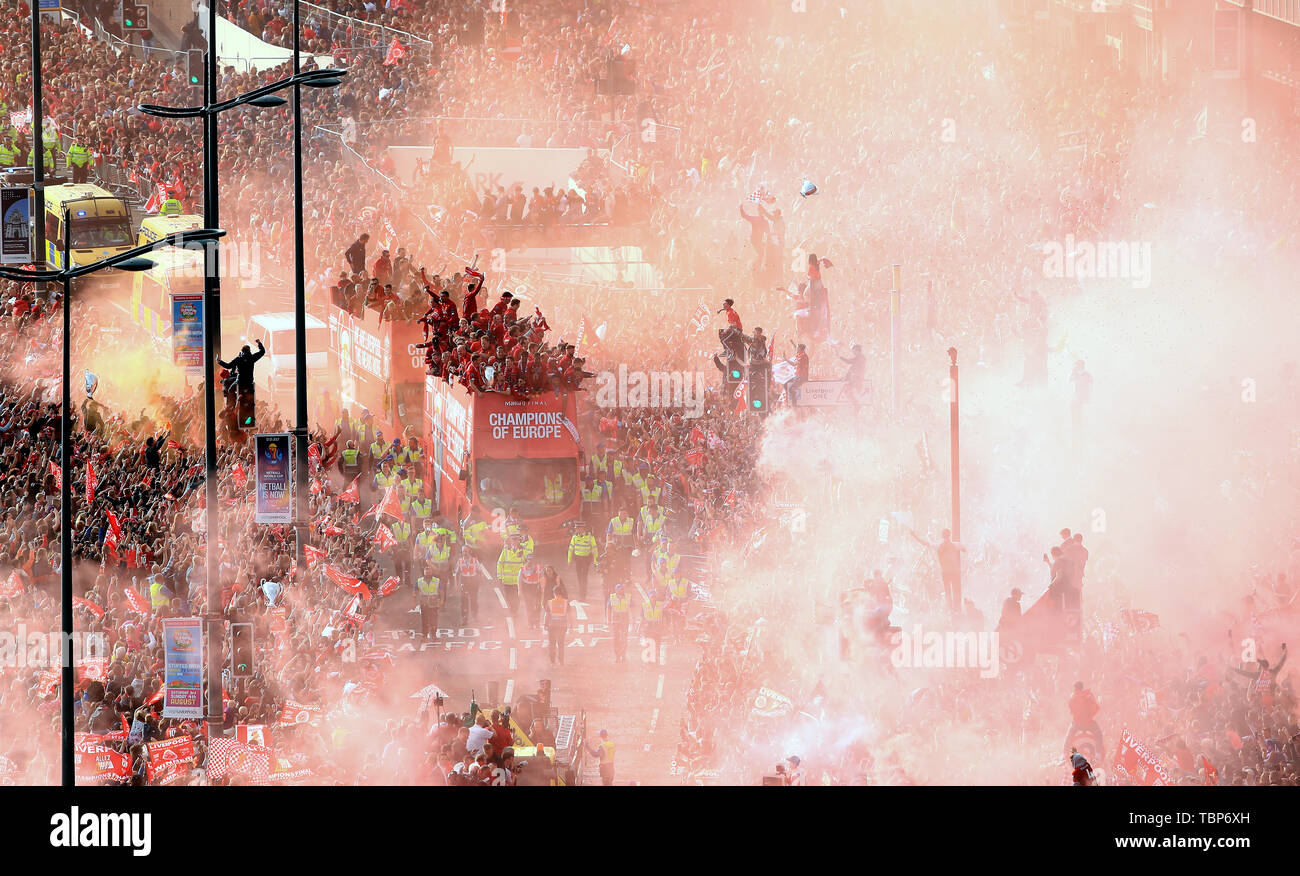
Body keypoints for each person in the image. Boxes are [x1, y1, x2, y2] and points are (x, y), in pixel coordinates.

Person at [906, 526, 965, 613]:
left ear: (942, 536)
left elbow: (925, 543)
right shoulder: (956, 544)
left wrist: (914, 535)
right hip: (954, 571)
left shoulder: (939, 545)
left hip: (946, 572)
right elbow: (964, 549)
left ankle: (950, 609)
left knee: (948, 591)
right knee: (955, 590)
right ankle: (955, 609)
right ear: (949, 535)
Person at [567, 519, 598, 602]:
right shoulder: (574, 537)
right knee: (579, 578)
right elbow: (570, 549)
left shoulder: (590, 537)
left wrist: (595, 561)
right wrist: (569, 560)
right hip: (578, 560)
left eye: (577, 528)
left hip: (586, 560)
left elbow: (594, 549)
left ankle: (583, 596)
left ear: (582, 528)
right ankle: (582, 594)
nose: (576, 530)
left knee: (583, 578)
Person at [545, 584, 571, 667]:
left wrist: (545, 624)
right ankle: (561, 661)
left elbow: (547, 615)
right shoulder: (566, 602)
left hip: (552, 625)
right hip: (562, 625)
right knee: (561, 644)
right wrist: (571, 625)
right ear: (561, 593)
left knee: (552, 644)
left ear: (554, 593)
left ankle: (552, 662)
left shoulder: (550, 602)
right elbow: (569, 615)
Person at [607, 583, 632, 664]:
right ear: (616, 590)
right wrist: (608, 619)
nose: (621, 590)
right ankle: (617, 656)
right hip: (616, 621)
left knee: (624, 638)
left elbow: (632, 608)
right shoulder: (612, 597)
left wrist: (633, 620)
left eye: (621, 589)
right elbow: (608, 608)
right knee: (616, 638)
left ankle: (623, 655)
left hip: (625, 620)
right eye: (619, 589)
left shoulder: (628, 597)